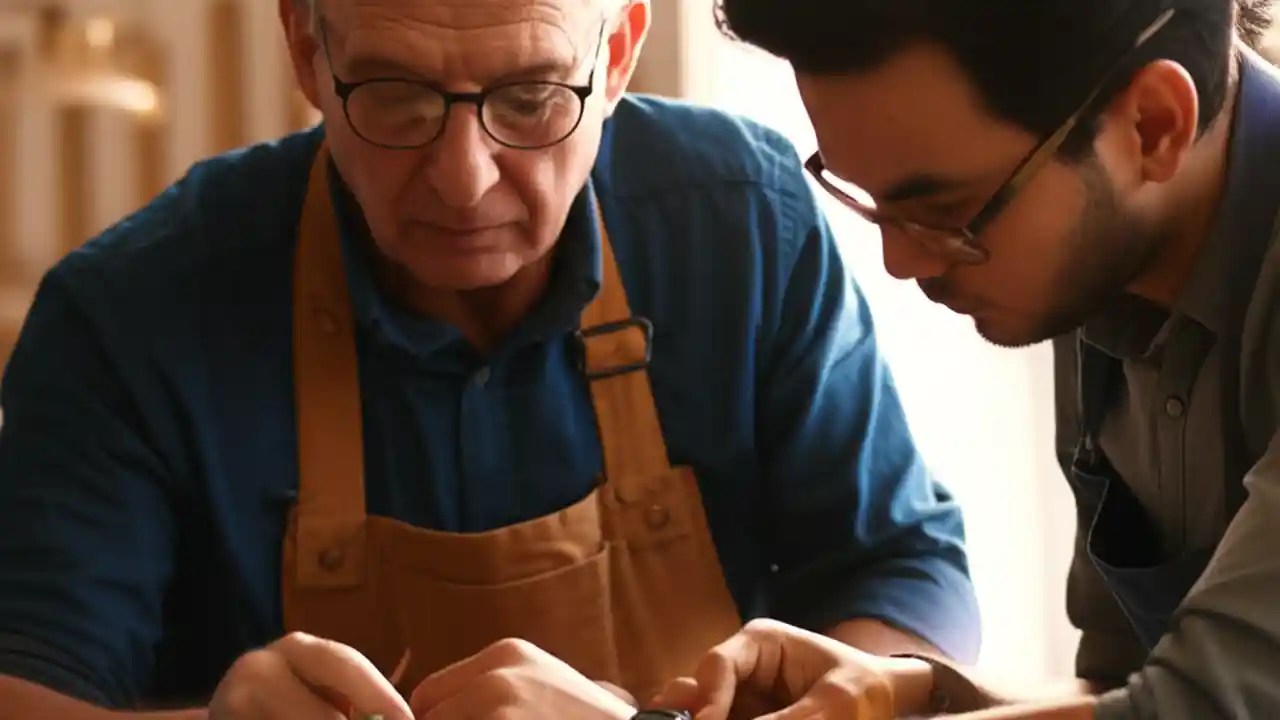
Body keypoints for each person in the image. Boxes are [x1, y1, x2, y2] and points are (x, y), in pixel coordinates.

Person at [0, 0, 980, 717]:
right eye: (393, 95)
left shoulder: (741, 223)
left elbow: (897, 571)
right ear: (305, 45)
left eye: (528, 97)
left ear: (620, 51)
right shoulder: (128, 316)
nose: (464, 182)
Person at [632, 0, 1280, 718]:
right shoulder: (1099, 267)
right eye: (877, 206)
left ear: (1152, 126)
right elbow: (1124, 690)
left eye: (944, 213)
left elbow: (1200, 707)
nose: (900, 260)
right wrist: (910, 688)